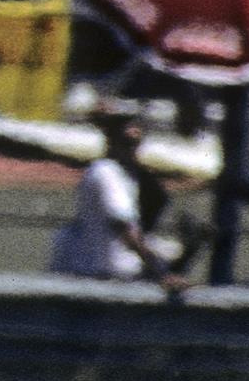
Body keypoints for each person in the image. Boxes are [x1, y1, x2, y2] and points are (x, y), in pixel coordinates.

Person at [49, 107, 192, 294]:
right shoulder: (106, 172)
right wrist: (162, 274)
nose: (132, 149)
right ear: (111, 140)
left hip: (112, 274)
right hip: (99, 279)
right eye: (127, 142)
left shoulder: (130, 177)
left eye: (136, 143)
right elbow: (124, 228)